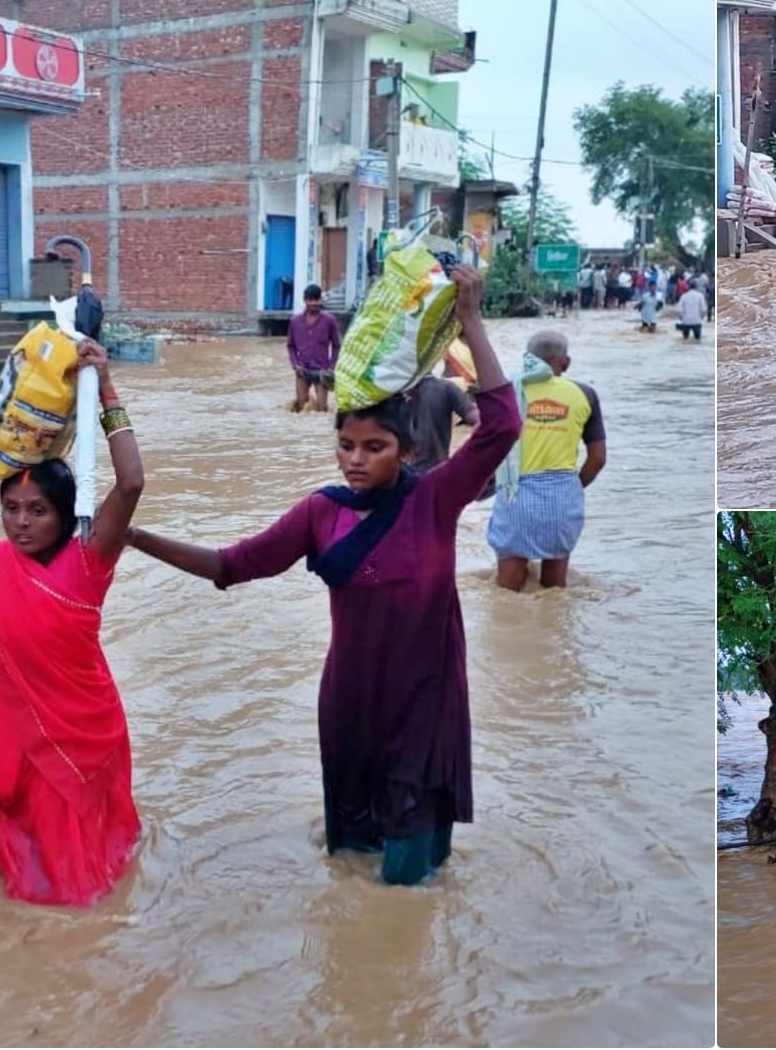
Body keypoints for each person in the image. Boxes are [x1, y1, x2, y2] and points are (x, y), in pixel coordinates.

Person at [127, 267, 515, 887]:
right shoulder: (319, 512)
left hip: (423, 702)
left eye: (374, 447)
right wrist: (136, 537)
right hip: (350, 705)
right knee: (350, 867)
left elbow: (503, 427)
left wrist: (470, 317)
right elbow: (232, 566)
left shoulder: (434, 499)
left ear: (407, 451)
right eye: (347, 446)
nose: (357, 460)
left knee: (406, 883)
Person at [0, 340, 143, 907]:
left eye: (38, 511)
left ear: (65, 517)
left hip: (77, 742)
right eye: (11, 509)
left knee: (71, 890)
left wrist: (106, 388)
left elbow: (130, 482)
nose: (21, 522)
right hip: (2, 745)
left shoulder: (86, 563)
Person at [488, 330, 606, 591]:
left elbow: (487, 448)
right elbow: (597, 458)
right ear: (565, 363)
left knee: (507, 591)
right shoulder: (585, 394)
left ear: (527, 359)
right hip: (563, 497)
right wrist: (571, 486)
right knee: (554, 591)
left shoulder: (509, 391)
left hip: (516, 495)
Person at [397, 373, 480, 475]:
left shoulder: (394, 393)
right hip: (437, 472)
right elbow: (478, 420)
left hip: (405, 475)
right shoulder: (446, 387)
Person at [288, 285, 342, 413]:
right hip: (302, 370)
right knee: (302, 407)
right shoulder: (295, 322)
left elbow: (336, 345)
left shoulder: (329, 320)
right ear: (305, 301)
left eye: (317, 300)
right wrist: (295, 365)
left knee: (321, 409)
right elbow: (291, 346)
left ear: (321, 300)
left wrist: (331, 367)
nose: (314, 303)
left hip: (322, 371)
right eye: (310, 300)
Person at [677, 276, 707, 341]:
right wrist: (701, 318)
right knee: (697, 340)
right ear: (696, 287)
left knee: (685, 340)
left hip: (686, 321)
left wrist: (681, 318)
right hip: (697, 321)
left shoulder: (684, 296)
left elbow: (679, 310)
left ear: (688, 286)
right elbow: (704, 310)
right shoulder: (700, 296)